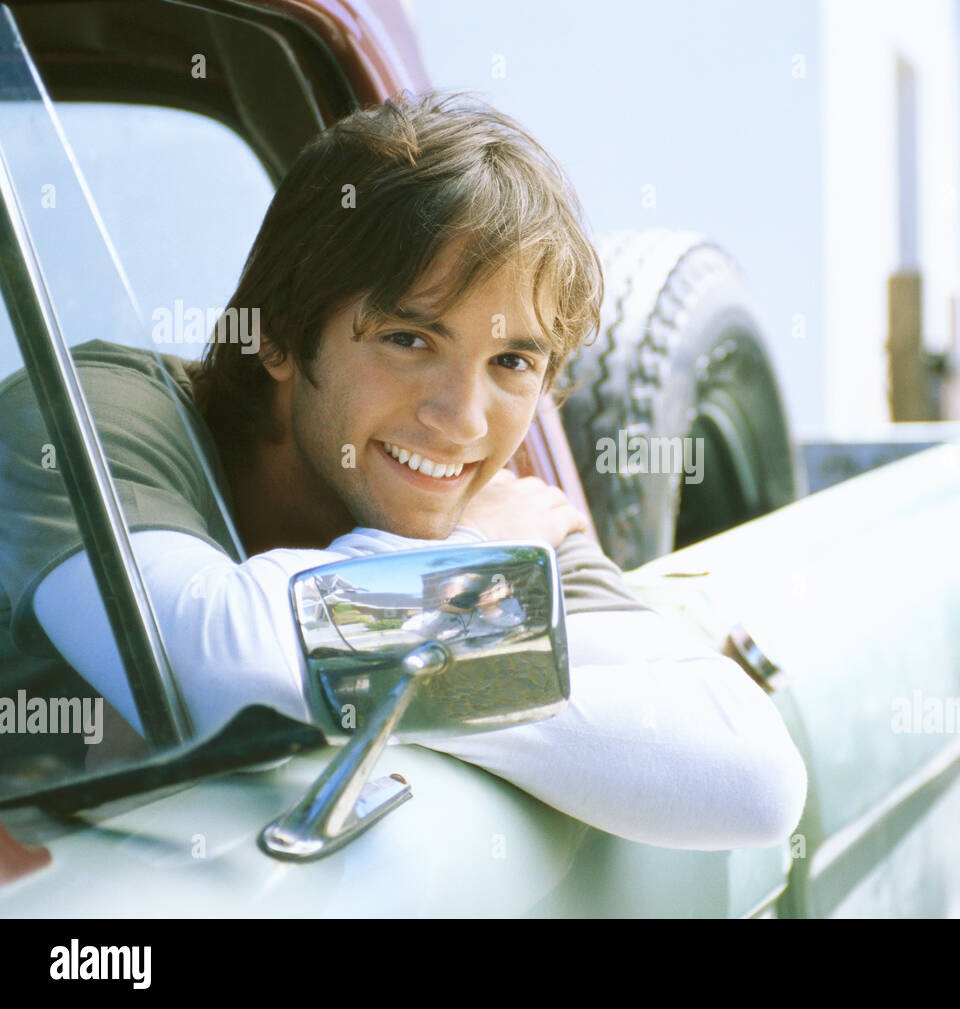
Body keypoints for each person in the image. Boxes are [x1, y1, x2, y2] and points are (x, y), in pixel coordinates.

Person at [0, 91, 806, 851]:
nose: (462, 420)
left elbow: (752, 771)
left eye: (513, 361)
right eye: (409, 340)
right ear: (279, 334)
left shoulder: (489, 517)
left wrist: (421, 649)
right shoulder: (87, 413)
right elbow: (228, 674)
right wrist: (472, 600)